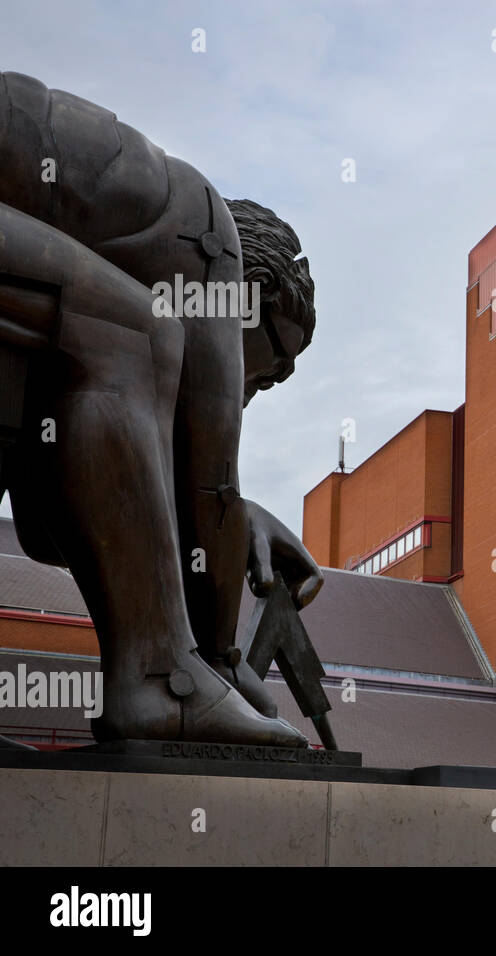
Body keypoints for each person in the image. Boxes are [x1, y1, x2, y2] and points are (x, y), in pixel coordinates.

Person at [0, 71, 321, 746]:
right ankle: (158, 681)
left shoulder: (109, 241)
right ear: (252, 297)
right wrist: (219, 663)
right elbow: (212, 479)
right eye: (271, 364)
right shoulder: (210, 240)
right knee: (134, 336)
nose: (257, 385)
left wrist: (224, 525)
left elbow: (50, 523)